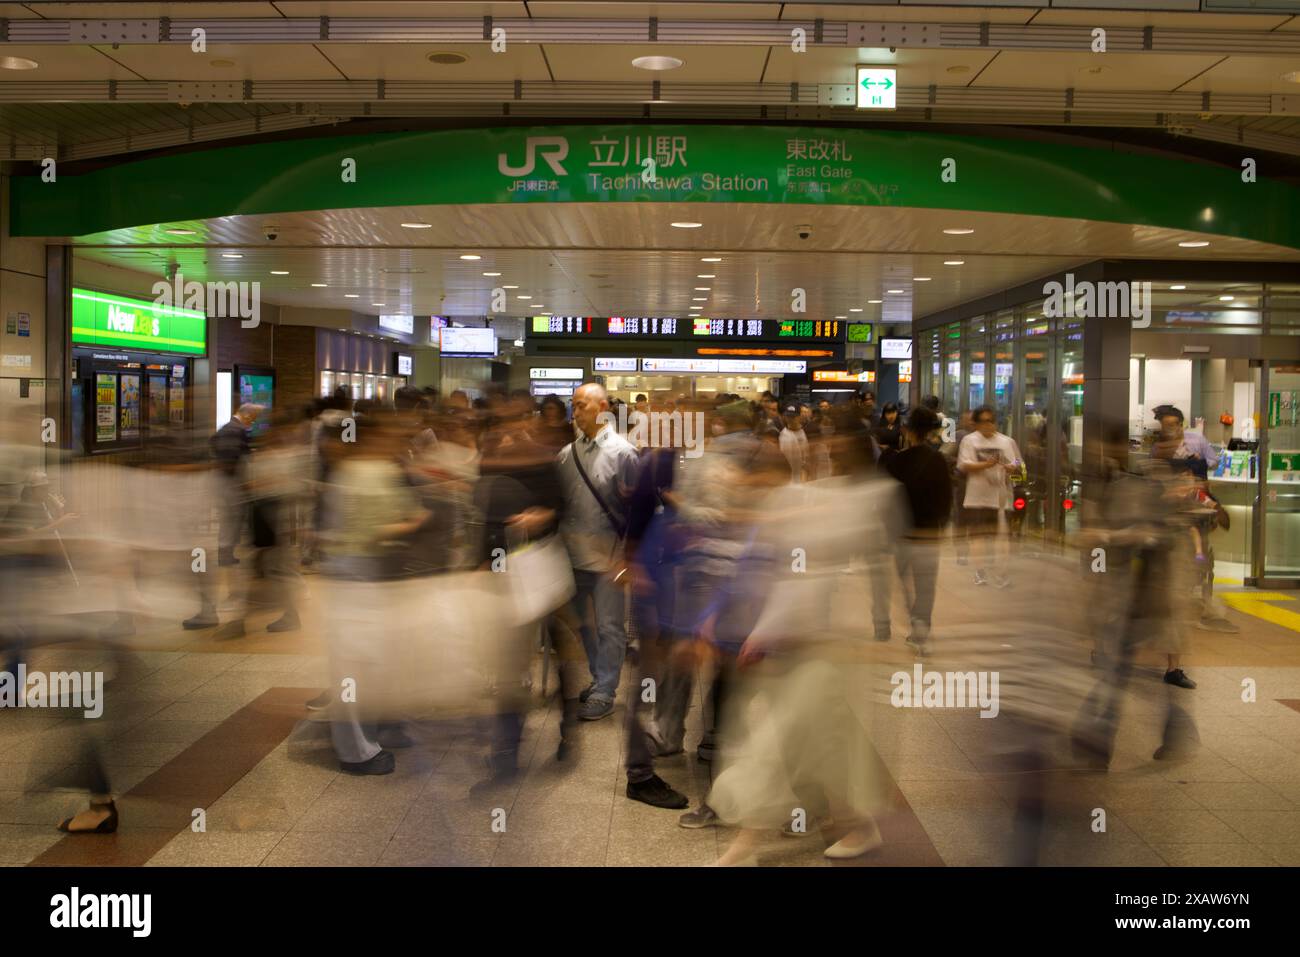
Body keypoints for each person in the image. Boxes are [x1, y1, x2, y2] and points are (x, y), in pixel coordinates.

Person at [555, 383, 639, 721]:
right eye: (573, 406)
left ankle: (605, 689)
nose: (575, 412)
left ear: (602, 407)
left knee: (609, 626)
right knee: (584, 626)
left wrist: (628, 557)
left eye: (581, 405)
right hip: (572, 558)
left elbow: (640, 510)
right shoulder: (565, 455)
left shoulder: (624, 453)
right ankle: (598, 676)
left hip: (609, 558)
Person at [184, 403, 261, 630]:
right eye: (253, 418)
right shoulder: (233, 431)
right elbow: (233, 463)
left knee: (223, 547)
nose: (254, 422)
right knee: (224, 547)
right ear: (245, 414)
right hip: (230, 496)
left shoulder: (228, 431)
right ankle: (226, 602)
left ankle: (215, 607)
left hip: (227, 497)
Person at [883, 406, 953, 654]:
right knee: (926, 586)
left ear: (908, 431)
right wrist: (940, 527)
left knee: (906, 584)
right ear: (933, 433)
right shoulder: (938, 461)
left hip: (903, 536)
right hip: (928, 536)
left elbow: (887, 501)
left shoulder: (896, 461)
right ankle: (920, 629)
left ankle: (916, 623)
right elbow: (946, 499)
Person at [956, 406, 1021, 588]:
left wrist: (1012, 466)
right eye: (984, 421)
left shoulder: (1007, 441)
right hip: (977, 497)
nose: (988, 425)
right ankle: (980, 571)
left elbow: (1017, 461)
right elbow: (964, 464)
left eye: (991, 421)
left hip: (1001, 497)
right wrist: (986, 464)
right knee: (978, 536)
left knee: (1002, 537)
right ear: (976, 424)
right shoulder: (969, 441)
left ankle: (1002, 574)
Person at [777, 404, 809, 483]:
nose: (790, 419)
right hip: (787, 479)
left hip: (803, 478)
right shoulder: (782, 435)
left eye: (793, 417)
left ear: (799, 417)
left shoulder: (806, 432)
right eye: (788, 416)